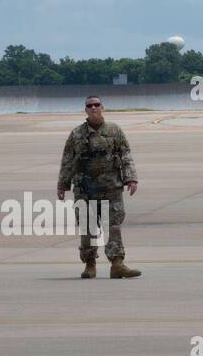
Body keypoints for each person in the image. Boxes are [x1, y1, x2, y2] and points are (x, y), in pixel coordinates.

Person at [56, 95, 140, 279]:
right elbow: (67, 161)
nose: (93, 108)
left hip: (111, 187)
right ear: (85, 110)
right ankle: (90, 264)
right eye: (89, 105)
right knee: (87, 227)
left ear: (102, 107)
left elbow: (125, 155)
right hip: (85, 189)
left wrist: (131, 178)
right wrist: (62, 185)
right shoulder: (77, 134)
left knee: (114, 226)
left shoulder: (114, 130)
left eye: (96, 105)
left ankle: (117, 264)